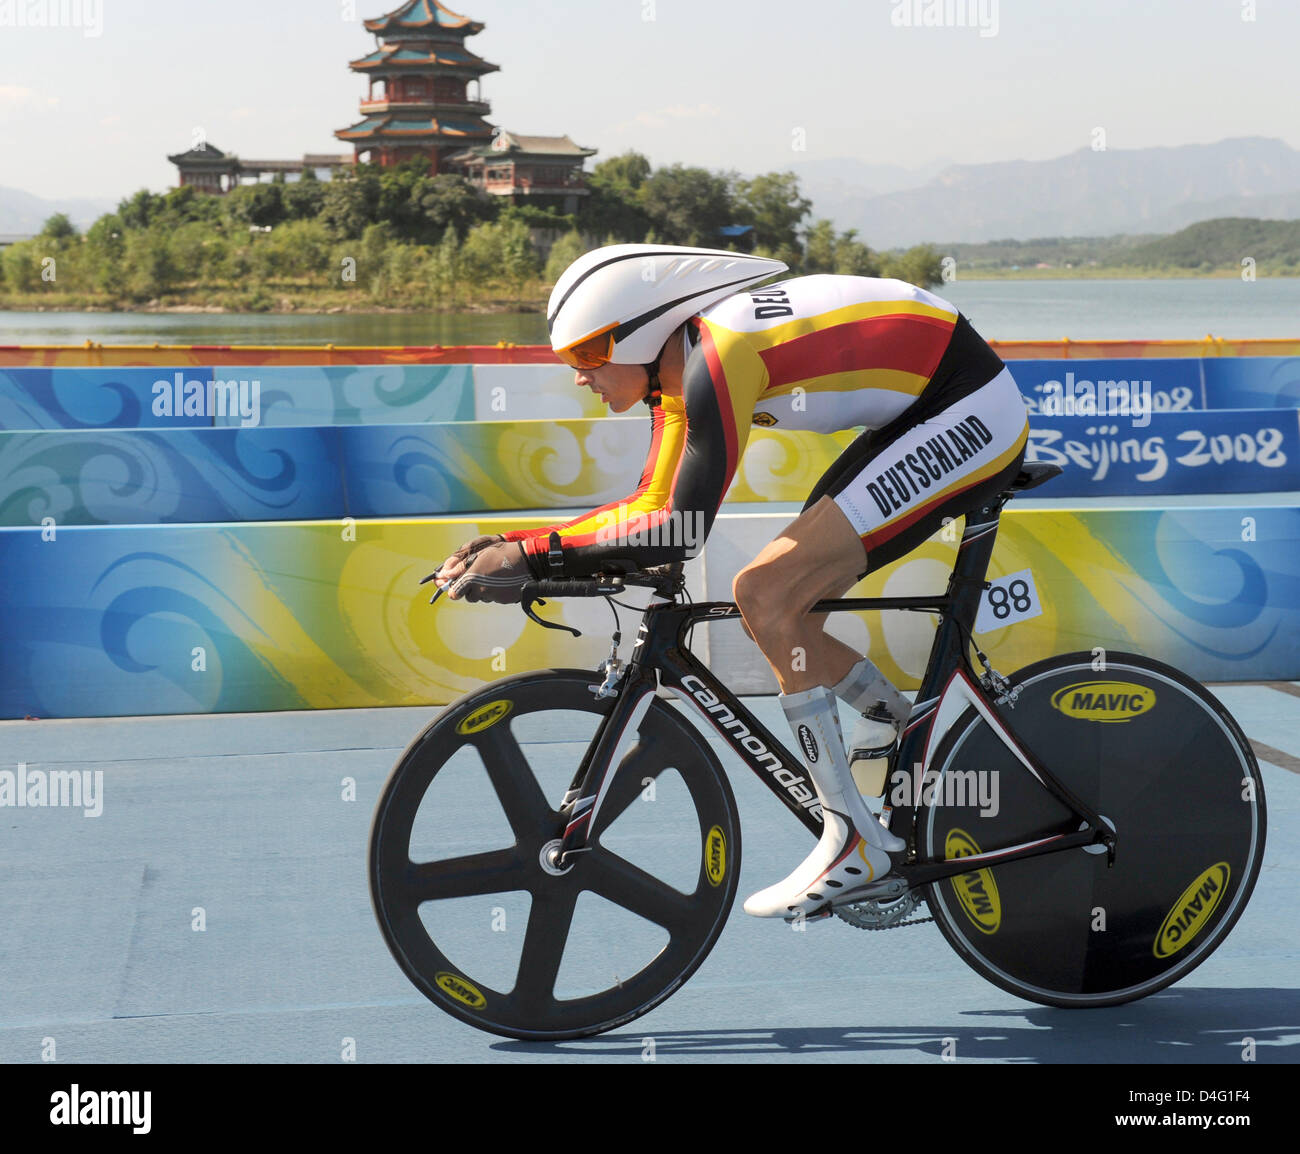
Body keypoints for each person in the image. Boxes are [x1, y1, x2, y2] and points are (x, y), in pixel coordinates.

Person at [433, 244, 1028, 920]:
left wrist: (530, 559)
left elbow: (676, 530)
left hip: (967, 408)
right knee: (779, 609)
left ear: (637, 332)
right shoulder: (679, 369)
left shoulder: (717, 357)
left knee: (765, 592)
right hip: (923, 408)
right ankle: (904, 729)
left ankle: (853, 838)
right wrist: (520, 549)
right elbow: (652, 511)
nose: (579, 377)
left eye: (589, 355)